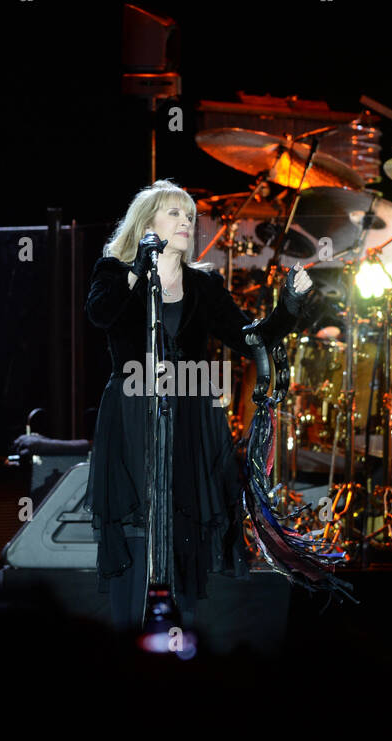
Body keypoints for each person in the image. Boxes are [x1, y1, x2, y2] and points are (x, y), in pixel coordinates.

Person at [85, 180, 311, 632]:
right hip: (132, 414)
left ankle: (177, 640)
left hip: (189, 414)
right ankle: (130, 636)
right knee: (138, 525)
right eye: (175, 214)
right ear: (147, 223)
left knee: (182, 523)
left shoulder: (203, 283)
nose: (187, 222)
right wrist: (137, 269)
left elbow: (250, 338)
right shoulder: (115, 270)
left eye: (190, 215)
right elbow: (101, 315)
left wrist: (287, 309)